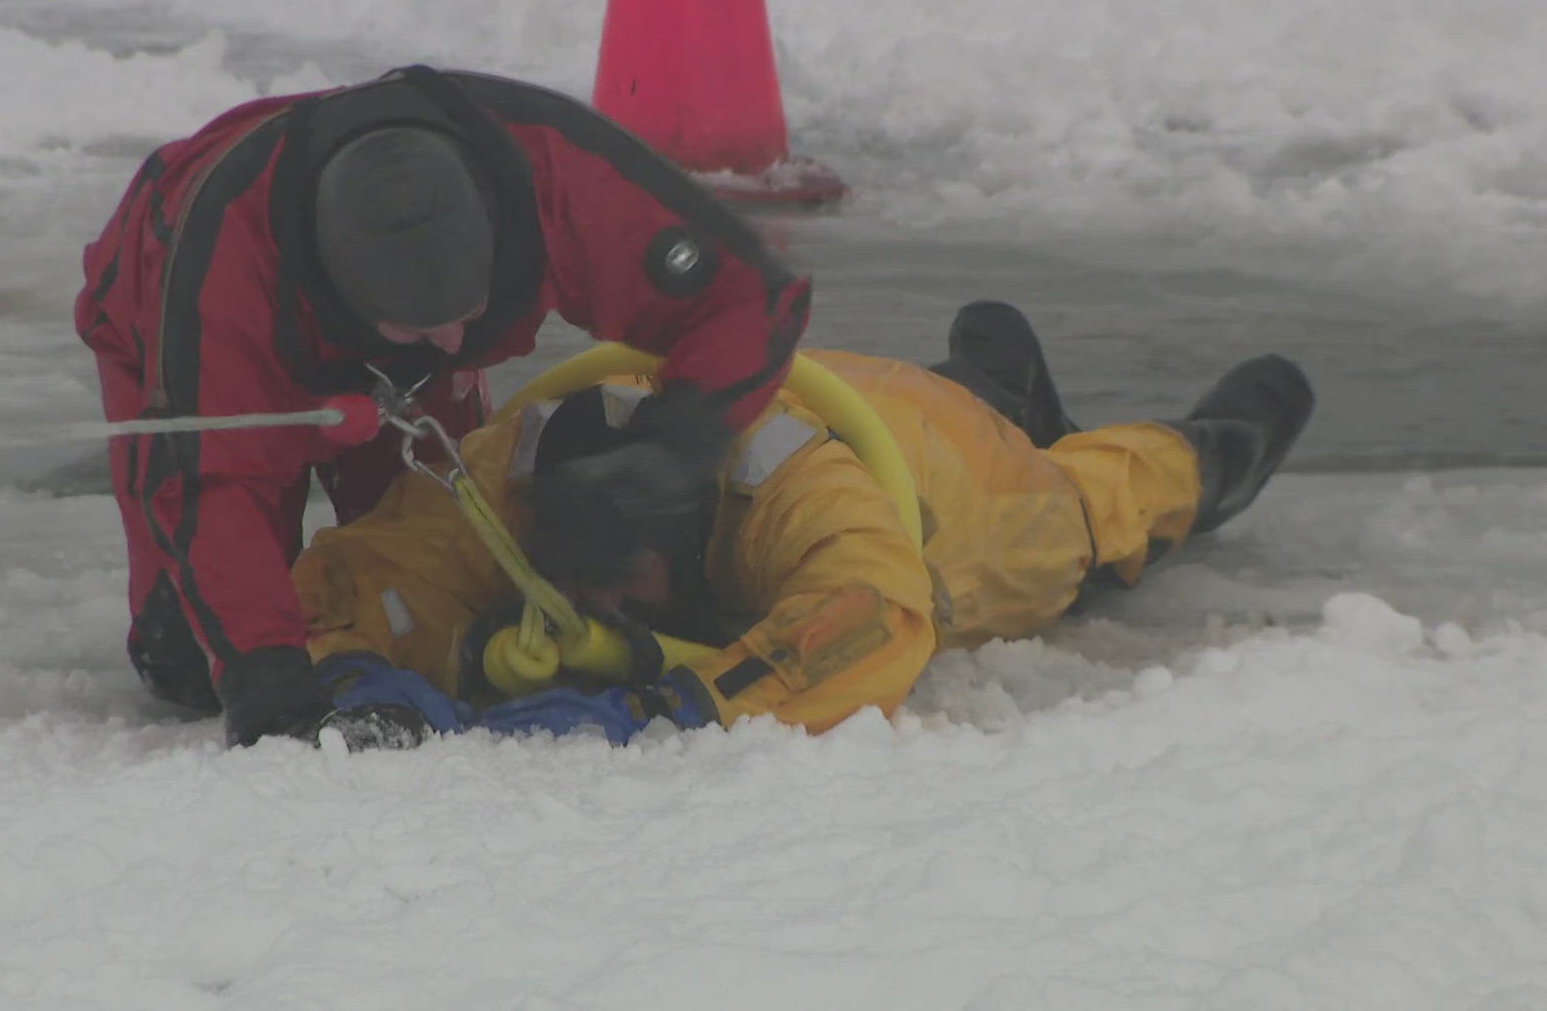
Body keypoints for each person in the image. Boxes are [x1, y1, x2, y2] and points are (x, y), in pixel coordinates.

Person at [74, 65, 812, 746]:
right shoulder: (222, 274)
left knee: (425, 600)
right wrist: (267, 684)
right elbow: (212, 486)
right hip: (167, 303)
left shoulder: (555, 173)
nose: (457, 335)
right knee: (192, 659)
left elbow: (745, 295)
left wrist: (666, 450)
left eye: (471, 311)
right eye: (422, 325)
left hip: (411, 382)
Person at [286, 301, 1316, 749]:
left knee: (1109, 498)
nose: (588, 610)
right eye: (570, 580)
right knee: (955, 391)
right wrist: (365, 665)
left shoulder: (800, 505)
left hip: (959, 479)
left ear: (687, 537)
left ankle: (1229, 435)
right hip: (859, 391)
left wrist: (678, 708)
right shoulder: (521, 466)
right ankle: (995, 374)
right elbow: (380, 565)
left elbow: (864, 620)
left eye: (617, 585)